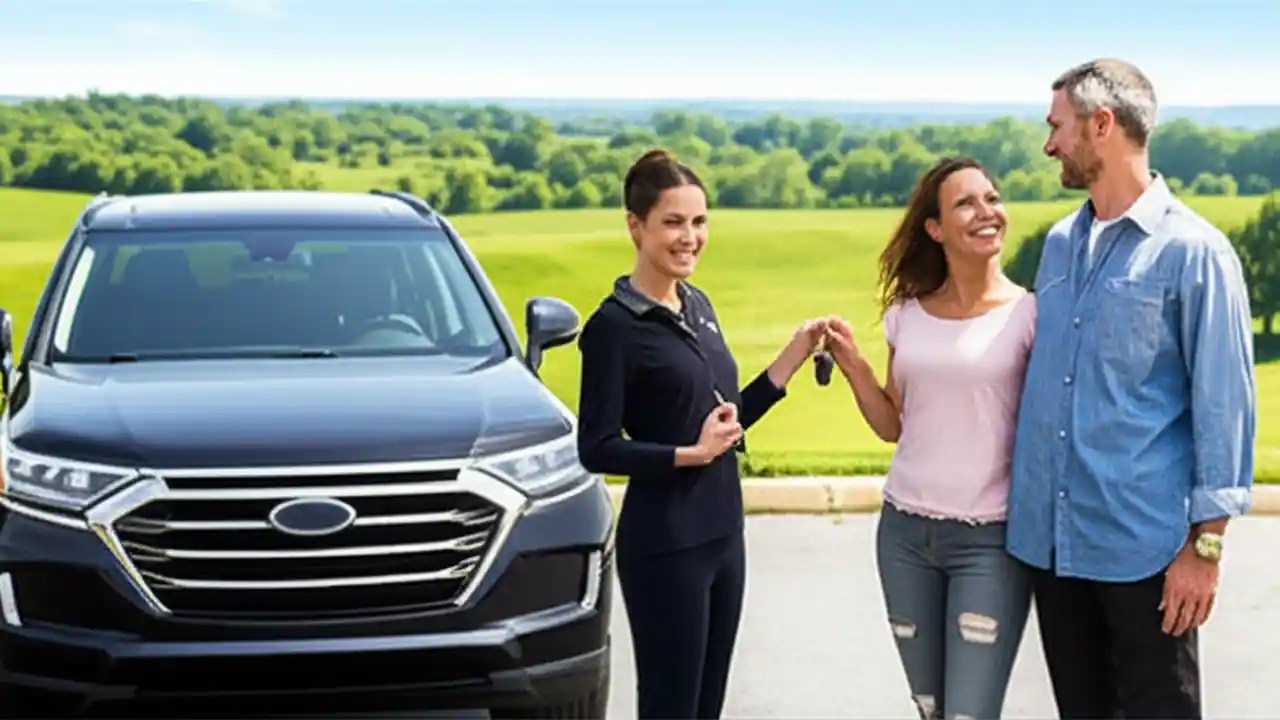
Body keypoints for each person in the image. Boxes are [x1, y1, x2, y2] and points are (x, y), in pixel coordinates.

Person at [1006, 58, 1257, 720]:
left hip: (1146, 553)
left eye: (1057, 126)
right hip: (1056, 549)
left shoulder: (1194, 253)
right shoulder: (1060, 244)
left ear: (1102, 125)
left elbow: (1224, 407)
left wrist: (1205, 549)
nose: (1049, 144)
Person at [574, 148, 827, 719]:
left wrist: (793, 355)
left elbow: (726, 421)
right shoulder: (614, 328)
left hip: (723, 536)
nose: (689, 237)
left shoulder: (697, 305)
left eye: (699, 221)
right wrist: (690, 454)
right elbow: (597, 447)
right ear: (635, 226)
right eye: (673, 222)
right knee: (671, 708)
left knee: (707, 707)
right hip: (666, 546)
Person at [822, 156, 1037, 720]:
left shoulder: (1030, 316)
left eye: (992, 198)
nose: (986, 211)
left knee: (969, 713)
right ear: (935, 229)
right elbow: (894, 425)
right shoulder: (906, 315)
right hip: (904, 537)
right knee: (930, 709)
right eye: (966, 203)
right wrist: (854, 368)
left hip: (990, 543)